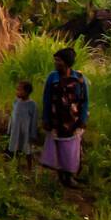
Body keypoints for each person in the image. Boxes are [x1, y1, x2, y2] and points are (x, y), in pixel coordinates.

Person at [40, 47, 88, 186]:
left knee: (71, 149)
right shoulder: (52, 78)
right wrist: (46, 119)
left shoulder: (79, 78)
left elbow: (84, 100)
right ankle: (62, 176)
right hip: (56, 120)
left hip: (72, 120)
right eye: (55, 60)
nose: (56, 63)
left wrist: (83, 119)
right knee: (59, 148)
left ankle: (70, 175)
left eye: (58, 60)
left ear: (67, 63)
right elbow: (47, 99)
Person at [6, 79, 37, 172]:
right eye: (17, 89)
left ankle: (29, 168)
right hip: (16, 130)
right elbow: (12, 116)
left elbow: (34, 120)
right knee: (16, 148)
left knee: (27, 150)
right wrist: (9, 128)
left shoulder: (32, 104)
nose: (17, 92)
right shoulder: (16, 101)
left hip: (26, 132)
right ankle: (18, 166)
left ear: (27, 92)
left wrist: (33, 134)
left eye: (19, 90)